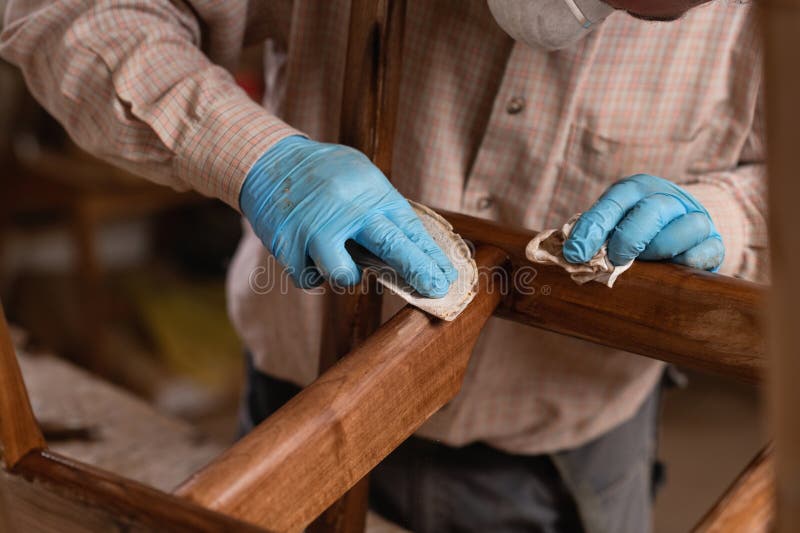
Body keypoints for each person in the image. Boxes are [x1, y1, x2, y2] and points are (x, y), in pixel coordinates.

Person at [1, 0, 766, 531]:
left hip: (568, 458)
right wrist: (257, 156)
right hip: (300, 402)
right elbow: (70, 15)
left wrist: (732, 215)